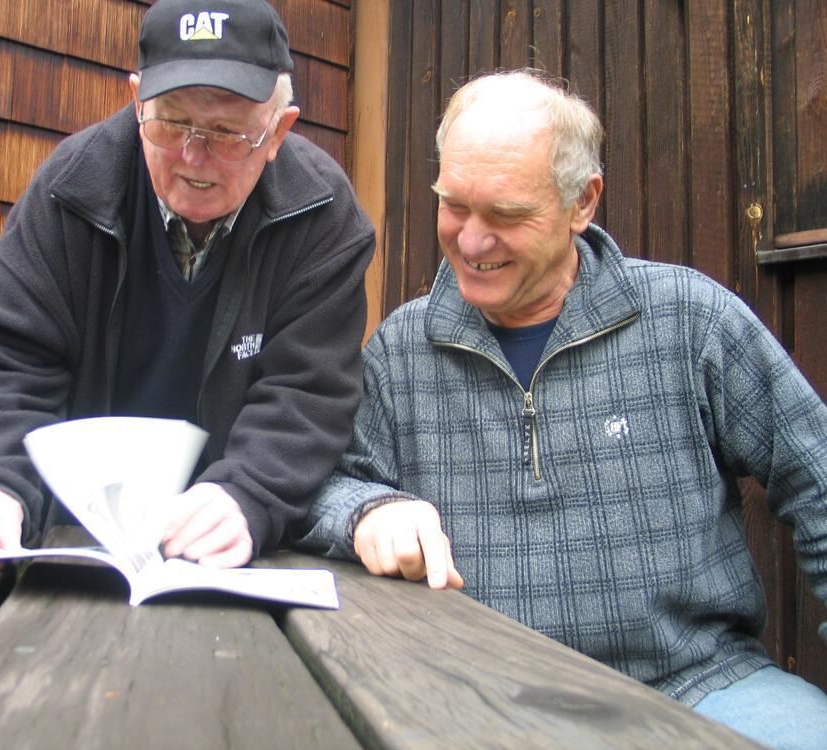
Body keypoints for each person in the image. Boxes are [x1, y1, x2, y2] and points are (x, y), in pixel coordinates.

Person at [295, 69, 827, 748]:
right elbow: (319, 484)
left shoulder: (691, 320)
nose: (472, 241)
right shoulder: (402, 347)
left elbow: (818, 480)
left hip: (699, 683)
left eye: (508, 215)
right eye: (454, 205)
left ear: (583, 202)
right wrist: (367, 510)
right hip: (474, 693)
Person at [0, 0, 375, 571]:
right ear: (137, 103)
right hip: (68, 542)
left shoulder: (322, 218)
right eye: (172, 122)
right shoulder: (72, 189)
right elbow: (2, 356)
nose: (194, 157)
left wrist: (246, 493)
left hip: (231, 551)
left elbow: (308, 392)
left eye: (228, 132)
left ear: (278, 130)